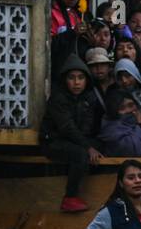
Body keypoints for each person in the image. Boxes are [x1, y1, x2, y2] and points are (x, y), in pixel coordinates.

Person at [41, 53, 103, 213]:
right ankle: (70, 197)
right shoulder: (58, 98)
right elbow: (67, 127)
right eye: (72, 78)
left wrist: (91, 145)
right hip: (54, 141)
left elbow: (87, 127)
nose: (76, 83)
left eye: (81, 78)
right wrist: (87, 147)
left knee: (101, 147)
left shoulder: (88, 98)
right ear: (65, 80)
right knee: (80, 154)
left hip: (75, 139)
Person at [97, 90, 141, 157]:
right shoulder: (110, 129)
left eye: (131, 105)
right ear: (114, 111)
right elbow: (133, 151)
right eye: (122, 108)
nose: (128, 110)